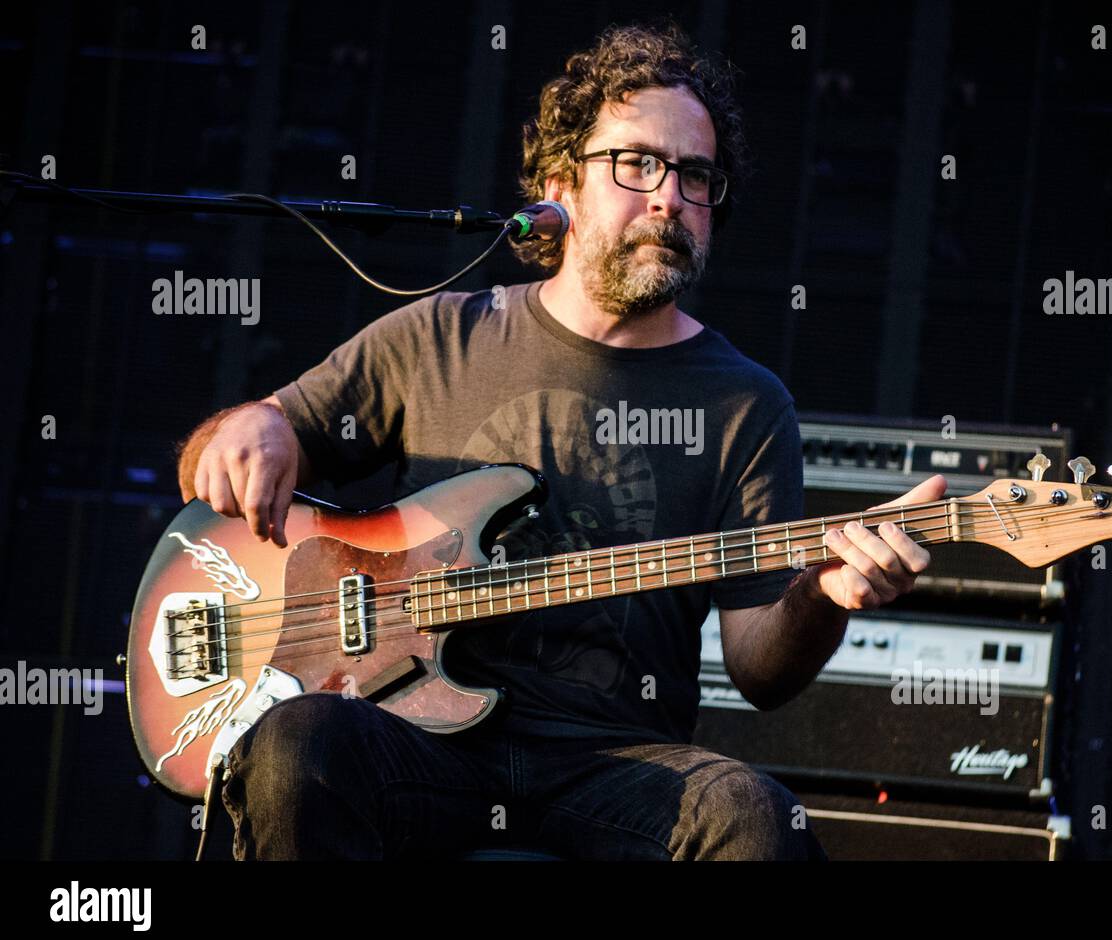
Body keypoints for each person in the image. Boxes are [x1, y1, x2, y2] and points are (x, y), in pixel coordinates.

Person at [178, 21, 944, 861]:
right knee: (298, 744)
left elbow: (760, 668)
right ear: (558, 189)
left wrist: (823, 597)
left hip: (617, 765)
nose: (669, 197)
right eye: (637, 163)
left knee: (756, 818)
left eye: (696, 176)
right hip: (416, 741)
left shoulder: (746, 405)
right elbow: (221, 467)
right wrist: (249, 426)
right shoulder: (436, 338)